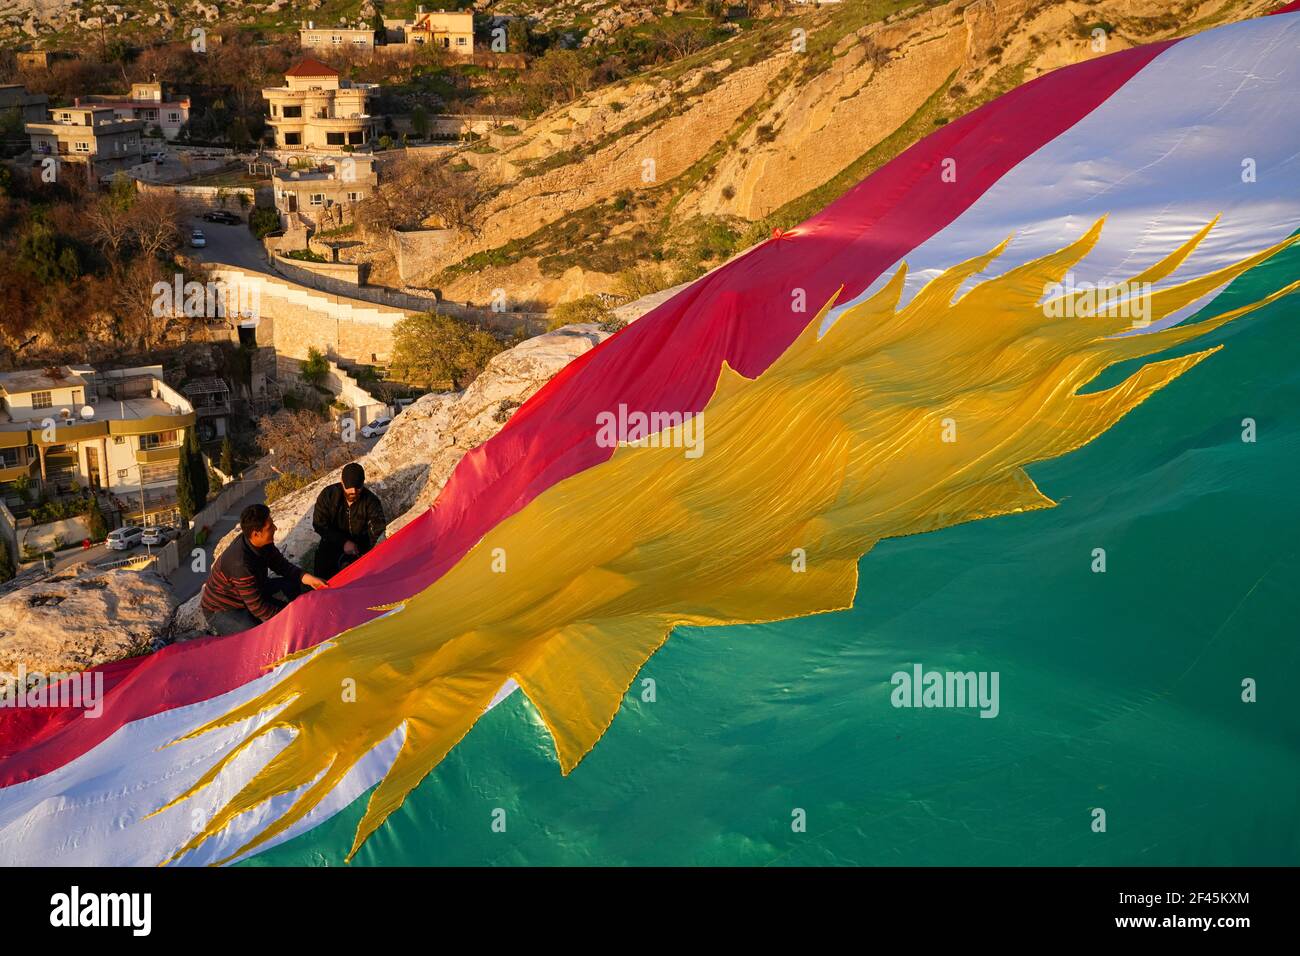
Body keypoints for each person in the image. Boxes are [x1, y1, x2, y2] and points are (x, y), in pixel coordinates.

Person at [200, 503, 328, 636]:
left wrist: (307, 578)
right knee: (259, 636)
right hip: (223, 609)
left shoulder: (262, 543)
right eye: (270, 527)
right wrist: (291, 620)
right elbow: (257, 607)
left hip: (255, 591)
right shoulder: (240, 563)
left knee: (293, 587)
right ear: (256, 534)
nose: (275, 528)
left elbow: (281, 565)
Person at [311, 462, 387, 580]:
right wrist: (343, 542)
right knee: (324, 578)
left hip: (359, 548)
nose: (354, 492)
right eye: (349, 489)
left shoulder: (371, 501)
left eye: (358, 489)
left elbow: (377, 529)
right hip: (331, 544)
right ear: (342, 482)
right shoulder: (328, 495)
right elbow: (319, 524)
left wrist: (363, 550)